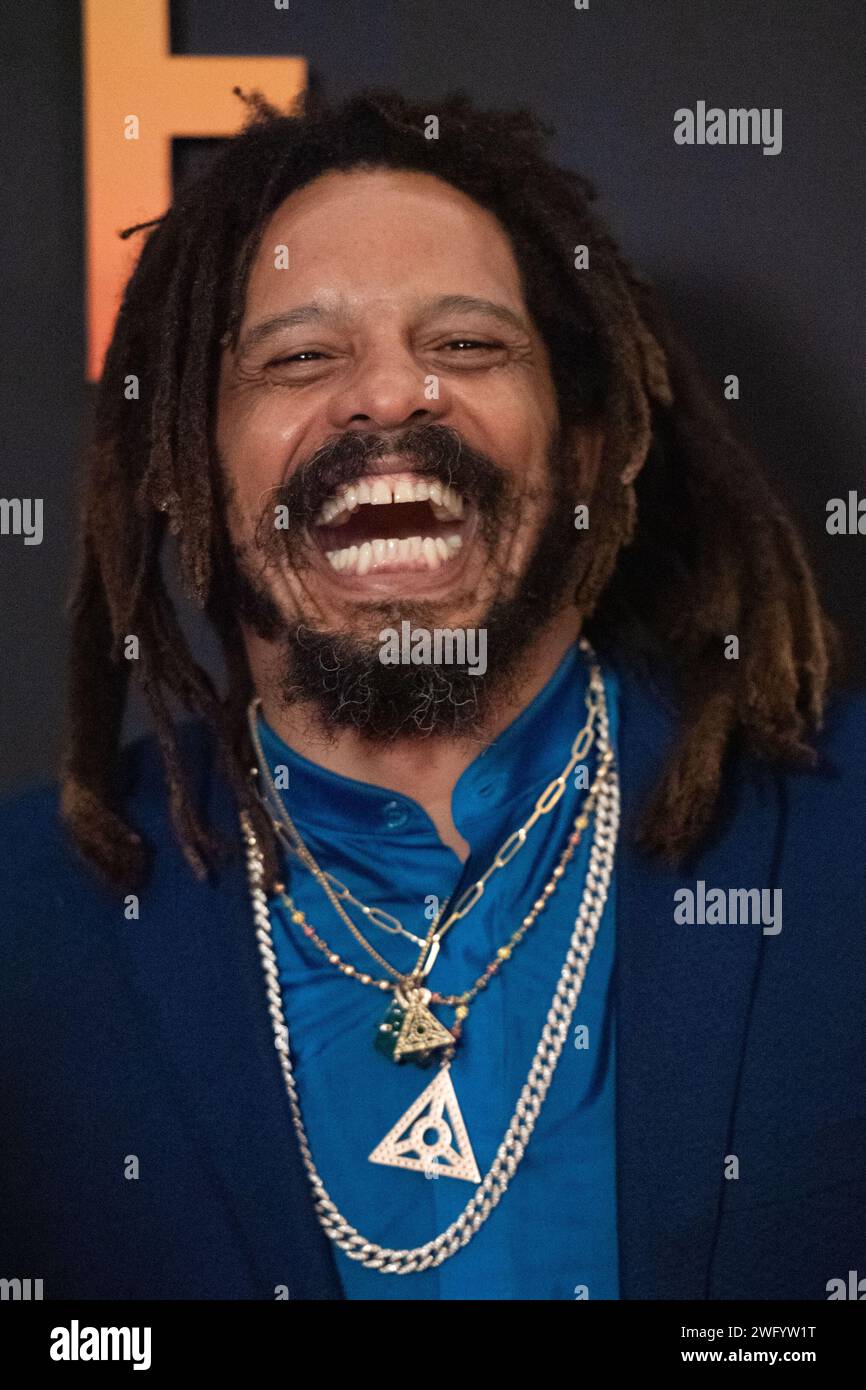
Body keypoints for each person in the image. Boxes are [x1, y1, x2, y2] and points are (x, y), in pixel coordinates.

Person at [1, 87, 864, 1301]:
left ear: (584, 449)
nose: (393, 395)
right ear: (185, 465)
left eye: (465, 345)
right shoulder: (26, 926)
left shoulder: (845, 836)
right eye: (300, 357)